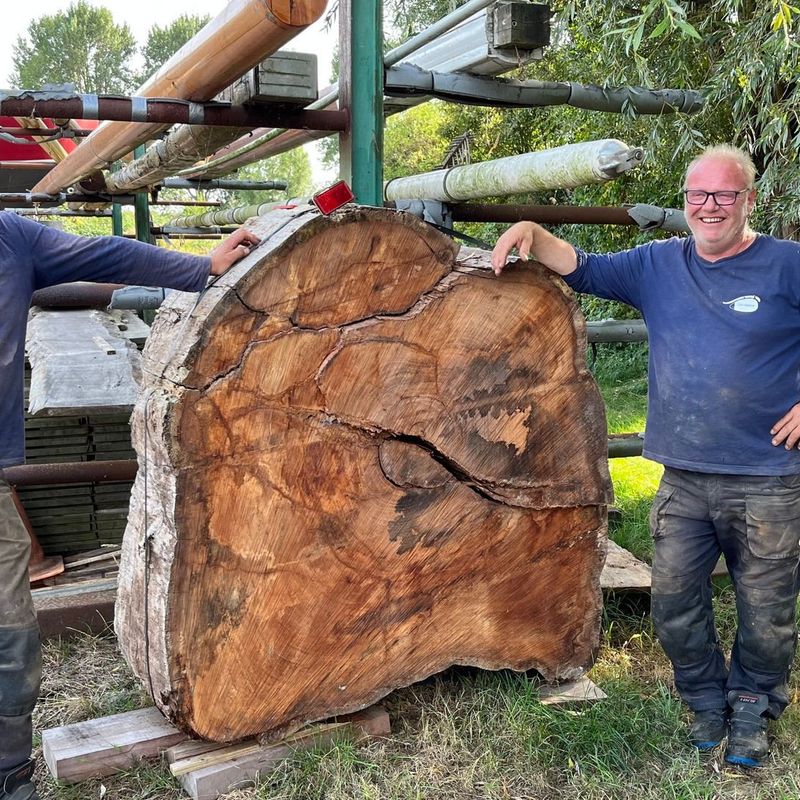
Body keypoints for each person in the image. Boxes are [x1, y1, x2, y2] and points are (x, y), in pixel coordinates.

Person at [492, 144, 800, 768]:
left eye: (723, 195)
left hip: (769, 476)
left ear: (749, 200)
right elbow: (584, 268)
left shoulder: (787, 265)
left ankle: (753, 706)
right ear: (684, 201)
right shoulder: (659, 265)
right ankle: (705, 698)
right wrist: (533, 232)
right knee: (674, 602)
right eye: (696, 196)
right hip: (684, 478)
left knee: (767, 611)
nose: (708, 207)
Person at [0, 212, 259, 800]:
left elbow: (106, 253)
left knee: (11, 640)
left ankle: (10, 775)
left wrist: (200, 268)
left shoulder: (11, 237)